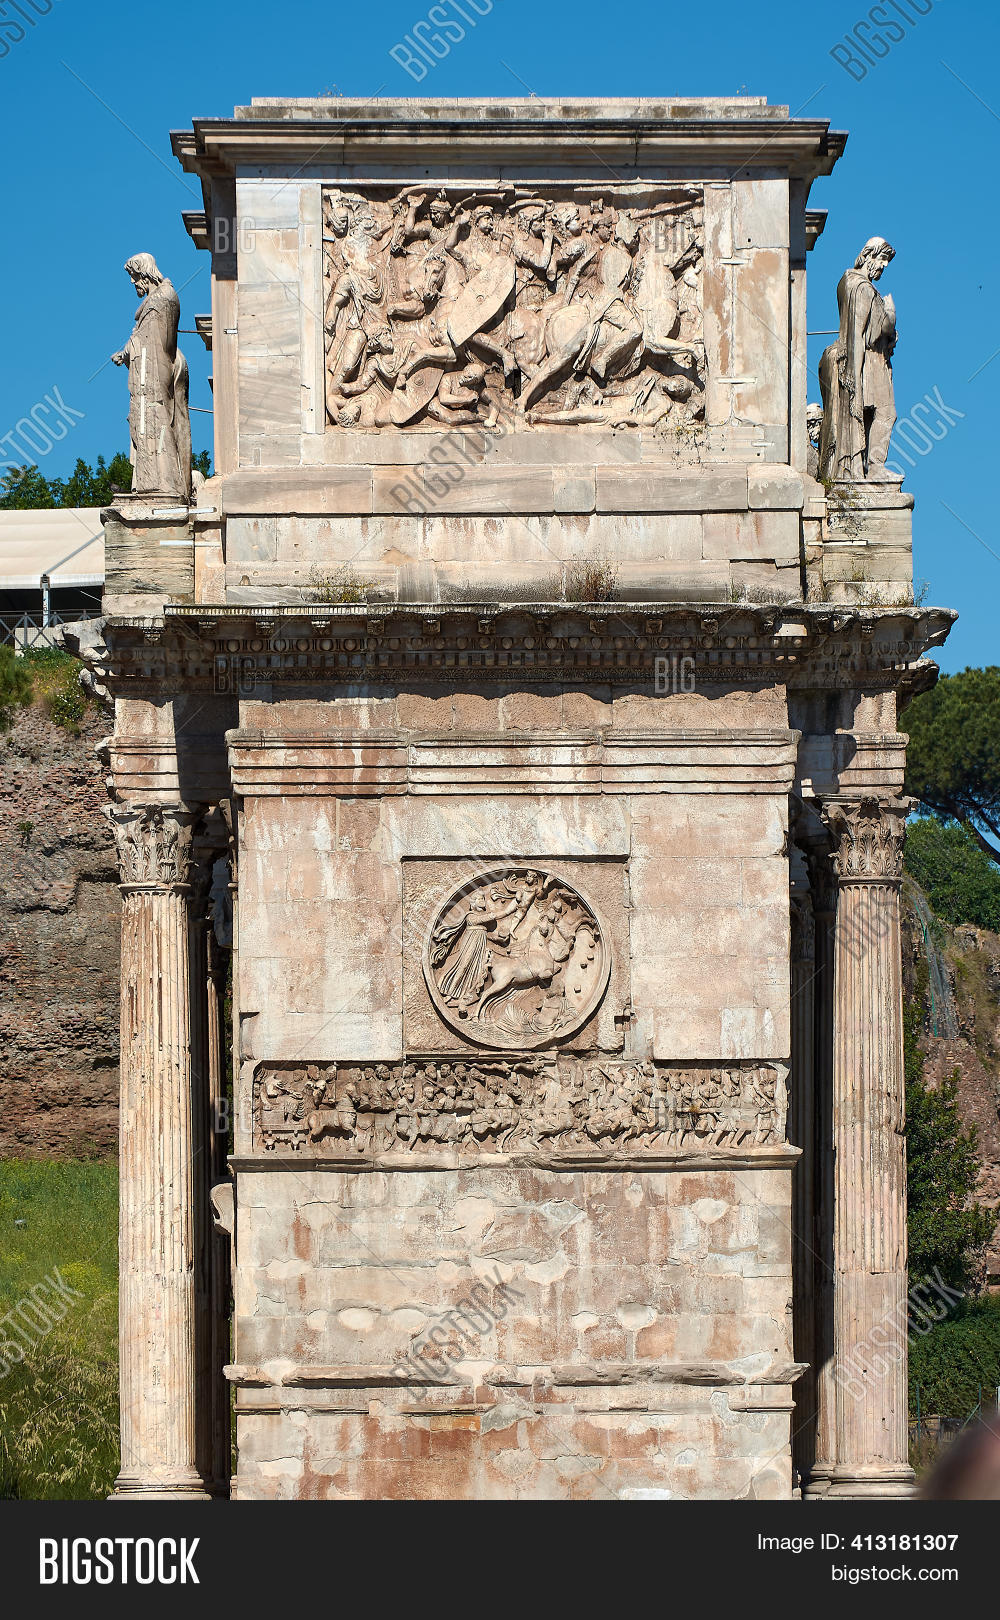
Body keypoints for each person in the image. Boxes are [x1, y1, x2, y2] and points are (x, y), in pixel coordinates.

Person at [818, 237, 897, 482]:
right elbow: (857, 333)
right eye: (882, 259)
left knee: (876, 414)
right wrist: (854, 379)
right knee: (886, 412)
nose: (883, 266)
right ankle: (875, 467)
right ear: (869, 255)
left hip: (867, 359)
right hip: (869, 362)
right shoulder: (861, 287)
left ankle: (870, 466)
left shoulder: (848, 282)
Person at [111, 254, 190, 498]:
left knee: (154, 419)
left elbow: (158, 342)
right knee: (145, 421)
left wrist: (129, 350)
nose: (134, 283)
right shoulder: (156, 301)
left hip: (154, 373)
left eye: (134, 277)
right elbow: (143, 337)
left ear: (144, 273)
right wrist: (126, 352)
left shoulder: (162, 299)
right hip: (148, 370)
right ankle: (147, 483)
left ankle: (161, 483)